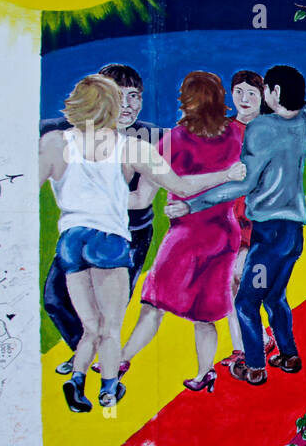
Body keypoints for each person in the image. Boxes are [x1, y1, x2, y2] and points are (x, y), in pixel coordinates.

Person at [38, 75, 245, 412]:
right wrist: (225, 176)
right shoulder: (134, 147)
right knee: (115, 326)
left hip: (73, 239)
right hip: (123, 239)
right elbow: (179, 187)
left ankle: (79, 378)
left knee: (101, 322)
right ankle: (109, 389)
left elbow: (25, 191)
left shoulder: (54, 142)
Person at [166, 65, 306, 386]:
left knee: (246, 302)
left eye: (265, 90)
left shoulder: (261, 128)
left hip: (269, 231)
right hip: (294, 233)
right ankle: (289, 355)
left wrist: (192, 203)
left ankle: (255, 366)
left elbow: (241, 184)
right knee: (275, 297)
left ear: (273, 94)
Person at [120, 72, 246, 392]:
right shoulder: (237, 137)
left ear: (186, 102)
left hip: (186, 235)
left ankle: (123, 357)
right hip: (224, 234)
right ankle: (205, 372)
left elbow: (143, 197)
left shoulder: (174, 140)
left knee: (154, 303)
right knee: (205, 316)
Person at [40, 63, 161, 375]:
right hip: (84, 232)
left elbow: (142, 200)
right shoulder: (67, 134)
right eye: (119, 96)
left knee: (110, 309)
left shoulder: (146, 140)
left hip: (128, 234)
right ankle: (85, 349)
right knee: (55, 298)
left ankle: (106, 362)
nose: (128, 104)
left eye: (135, 96)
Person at [218, 70, 275, 371]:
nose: (244, 98)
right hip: (229, 217)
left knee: (255, 281)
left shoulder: (271, 129)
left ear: (262, 97)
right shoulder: (225, 129)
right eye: (238, 91)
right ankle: (245, 345)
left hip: (261, 218)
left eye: (251, 93)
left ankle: (267, 338)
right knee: (231, 280)